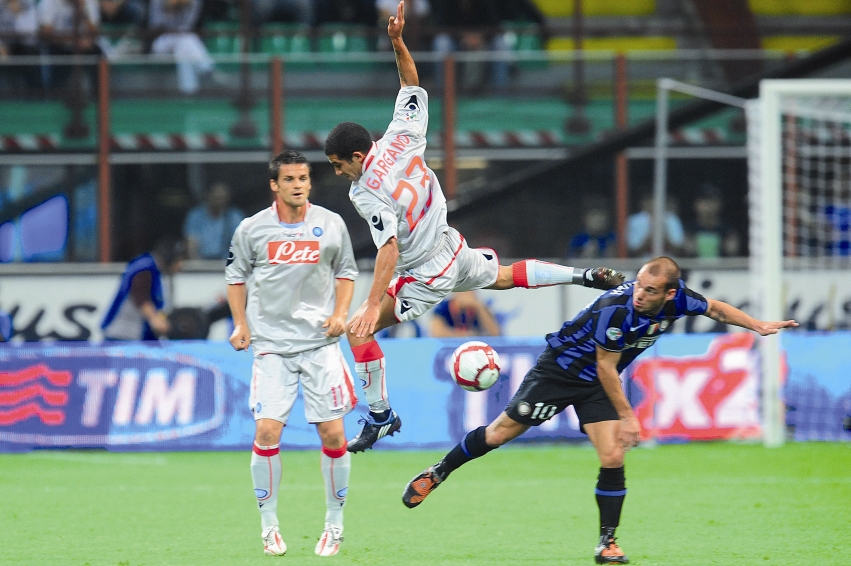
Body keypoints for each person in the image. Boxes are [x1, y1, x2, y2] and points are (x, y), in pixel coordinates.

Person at [324, 1, 624, 453]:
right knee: (503, 276)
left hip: (422, 272)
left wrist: (370, 303)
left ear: (356, 157)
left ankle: (382, 416)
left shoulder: (364, 190)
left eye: (337, 164)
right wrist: (398, 42)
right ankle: (584, 277)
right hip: (451, 247)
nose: (337, 173)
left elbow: (387, 249)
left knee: (359, 331)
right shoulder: (401, 135)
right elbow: (411, 82)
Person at [401, 256, 798, 564]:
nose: (639, 294)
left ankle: (607, 542)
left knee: (612, 455)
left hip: (596, 385)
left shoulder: (681, 301)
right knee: (499, 434)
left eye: (649, 290)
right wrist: (628, 416)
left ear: (670, 294)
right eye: (638, 285)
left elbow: (715, 308)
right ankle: (439, 472)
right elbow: (607, 368)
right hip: (559, 371)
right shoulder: (617, 309)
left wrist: (757, 324)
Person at [225, 150, 359, 557]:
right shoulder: (251, 230)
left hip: (320, 345)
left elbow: (347, 272)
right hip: (271, 348)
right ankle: (269, 528)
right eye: (289, 179)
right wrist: (241, 324)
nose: (298, 185)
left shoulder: (331, 224)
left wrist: (340, 314)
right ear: (274, 185)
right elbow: (235, 277)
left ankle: (334, 525)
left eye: (303, 178)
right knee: (266, 433)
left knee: (334, 435)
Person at [101, 237, 186, 341]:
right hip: (124, 334)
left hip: (137, 336)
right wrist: (155, 319)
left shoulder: (156, 270)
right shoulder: (145, 268)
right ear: (169, 258)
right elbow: (141, 297)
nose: (180, 265)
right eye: (179, 261)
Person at [147, 0, 213, 95]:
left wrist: (182, 7)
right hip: (161, 43)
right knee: (186, 39)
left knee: (183, 47)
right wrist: (170, 10)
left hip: (183, 42)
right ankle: (205, 67)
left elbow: (188, 24)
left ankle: (189, 92)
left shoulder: (194, 1)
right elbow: (154, 25)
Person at [183, 182, 244, 260]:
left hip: (227, 262)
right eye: (216, 197)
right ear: (208, 196)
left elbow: (240, 243)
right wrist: (196, 266)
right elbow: (191, 243)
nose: (219, 201)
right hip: (202, 261)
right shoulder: (196, 216)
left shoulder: (234, 216)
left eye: (222, 197)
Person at [626, 193, 685, 258]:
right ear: (643, 202)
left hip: (668, 263)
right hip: (642, 264)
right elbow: (631, 251)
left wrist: (666, 239)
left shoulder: (672, 219)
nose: (652, 203)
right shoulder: (635, 220)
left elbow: (679, 250)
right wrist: (648, 241)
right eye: (649, 200)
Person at [429, 291, 500, 338]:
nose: (467, 294)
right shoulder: (444, 306)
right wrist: (463, 336)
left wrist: (478, 306)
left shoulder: (479, 307)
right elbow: (437, 332)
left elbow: (495, 333)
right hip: (448, 349)